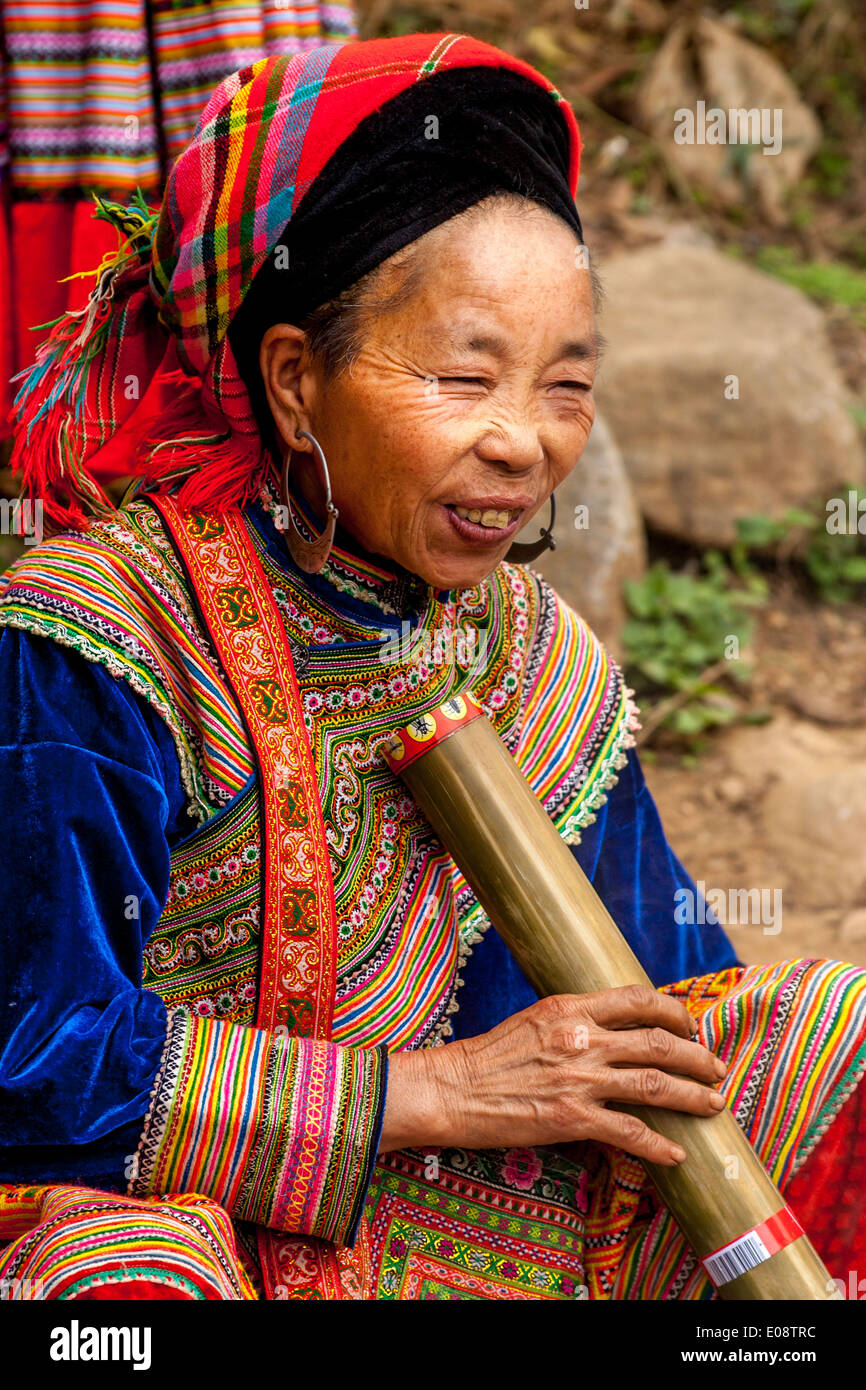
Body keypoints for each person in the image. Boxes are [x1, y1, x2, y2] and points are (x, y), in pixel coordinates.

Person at [0, 32, 864, 1302]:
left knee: (834, 1033)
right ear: (297, 382)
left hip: (476, 1220)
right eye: (464, 377)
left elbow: (662, 998)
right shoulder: (101, 633)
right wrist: (440, 1091)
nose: (524, 443)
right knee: (114, 1287)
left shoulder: (532, 649)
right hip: (177, 1211)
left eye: (564, 386)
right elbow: (32, 1053)